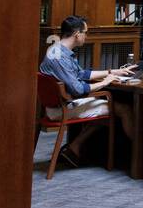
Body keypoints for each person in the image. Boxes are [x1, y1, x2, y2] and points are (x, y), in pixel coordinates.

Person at [40, 16, 135, 164]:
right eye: (86, 32)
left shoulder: (59, 51)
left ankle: (75, 147)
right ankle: (141, 155)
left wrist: (113, 72)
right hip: (60, 109)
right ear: (77, 34)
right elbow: (78, 89)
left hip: (60, 104)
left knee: (99, 102)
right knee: (124, 109)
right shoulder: (59, 57)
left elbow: (81, 74)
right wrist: (106, 82)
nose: (87, 36)